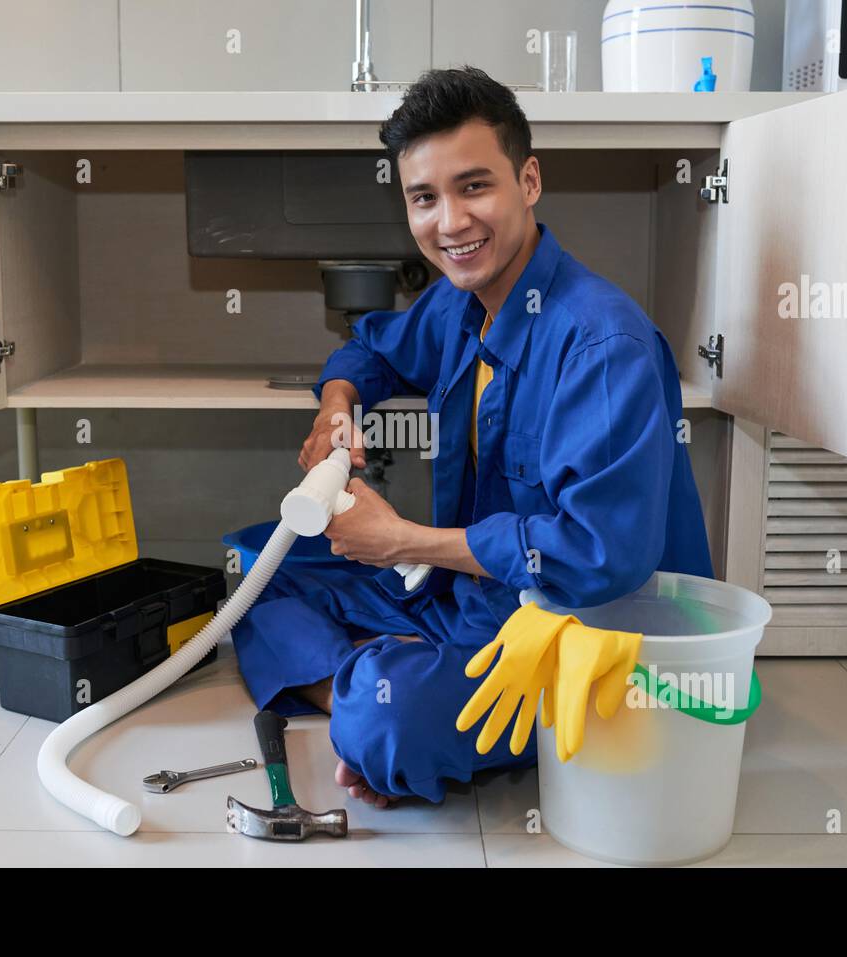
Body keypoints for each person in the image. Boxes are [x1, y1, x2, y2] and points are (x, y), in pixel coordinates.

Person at [230, 65, 713, 808]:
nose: (450, 222)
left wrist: (403, 542)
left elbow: (600, 557)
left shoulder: (600, 345)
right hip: (467, 597)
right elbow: (372, 349)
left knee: (381, 719)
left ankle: (378, 696)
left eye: (474, 186)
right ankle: (389, 679)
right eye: (425, 197)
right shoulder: (463, 306)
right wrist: (337, 405)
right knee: (256, 561)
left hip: (577, 632)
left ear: (529, 181)